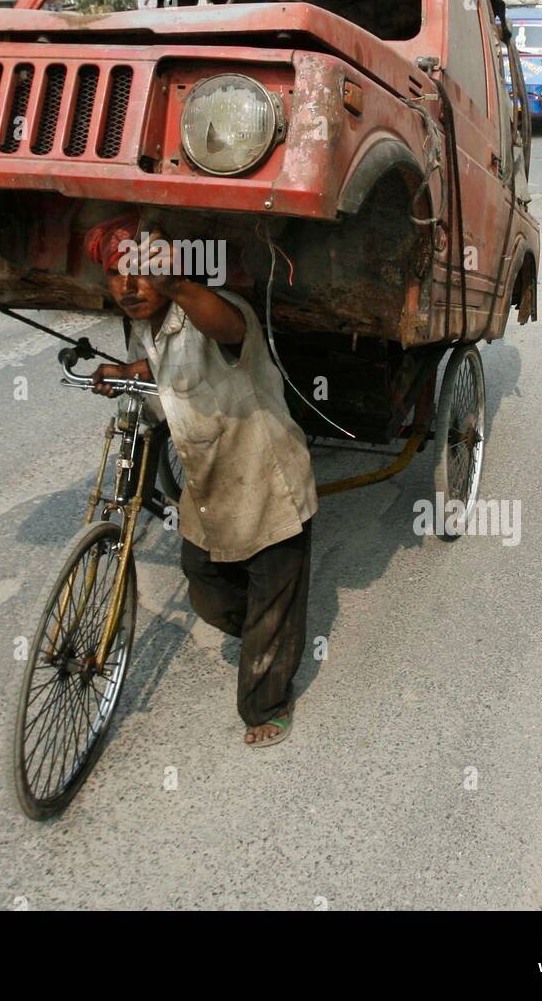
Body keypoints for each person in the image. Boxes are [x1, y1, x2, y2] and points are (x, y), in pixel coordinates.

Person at [84, 213, 318, 748]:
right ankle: (271, 633)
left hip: (268, 481)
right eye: (117, 274)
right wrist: (126, 373)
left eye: (142, 273)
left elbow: (225, 329)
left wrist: (180, 284)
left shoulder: (218, 311)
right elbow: (163, 371)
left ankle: (269, 701)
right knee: (207, 590)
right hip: (210, 489)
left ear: (173, 272)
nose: (129, 287)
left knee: (272, 588)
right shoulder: (148, 329)